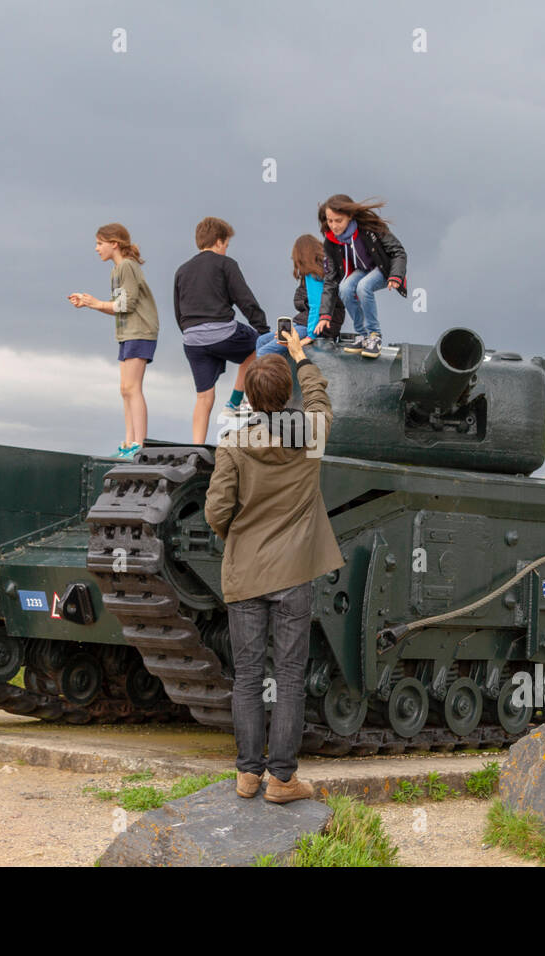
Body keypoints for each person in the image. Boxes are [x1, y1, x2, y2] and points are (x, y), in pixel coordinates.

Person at [204, 325, 344, 803]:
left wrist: (238, 539)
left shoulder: (234, 443)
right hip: (293, 574)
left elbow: (216, 511)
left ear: (251, 395)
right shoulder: (311, 436)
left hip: (245, 572)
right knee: (289, 676)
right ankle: (282, 780)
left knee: (246, 675)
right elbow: (322, 403)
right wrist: (301, 357)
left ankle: (247, 775)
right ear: (286, 395)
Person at [68, 223, 160, 458]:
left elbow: (126, 304)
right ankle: (129, 443)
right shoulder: (117, 270)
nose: (96, 248)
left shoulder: (127, 267)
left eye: (100, 243)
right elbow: (118, 307)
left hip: (140, 331)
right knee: (125, 389)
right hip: (127, 333)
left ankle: (139, 445)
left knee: (132, 388)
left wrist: (95, 303)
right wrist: (91, 304)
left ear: (114, 244)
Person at [174, 217, 268, 443]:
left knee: (203, 397)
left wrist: (192, 333)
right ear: (218, 242)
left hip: (192, 339)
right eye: (226, 245)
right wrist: (263, 330)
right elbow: (245, 299)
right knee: (257, 344)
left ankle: (196, 447)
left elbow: (179, 310)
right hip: (221, 332)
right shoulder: (226, 264)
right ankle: (235, 402)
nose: (226, 249)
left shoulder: (182, 270)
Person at [313, 194, 408, 359]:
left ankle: (374, 336)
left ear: (350, 216)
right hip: (363, 270)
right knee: (344, 288)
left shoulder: (371, 228)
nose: (334, 226)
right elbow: (331, 279)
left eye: (338, 220)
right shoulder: (331, 242)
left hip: (384, 268)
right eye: (330, 221)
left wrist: (395, 276)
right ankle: (362, 336)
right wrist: (325, 315)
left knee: (363, 287)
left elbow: (399, 252)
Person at [254, 234, 324, 358]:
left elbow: (317, 306)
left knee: (264, 352)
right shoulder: (314, 274)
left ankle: (265, 377)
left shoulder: (314, 275)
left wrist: (310, 336)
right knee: (261, 341)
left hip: (309, 327)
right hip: (302, 323)